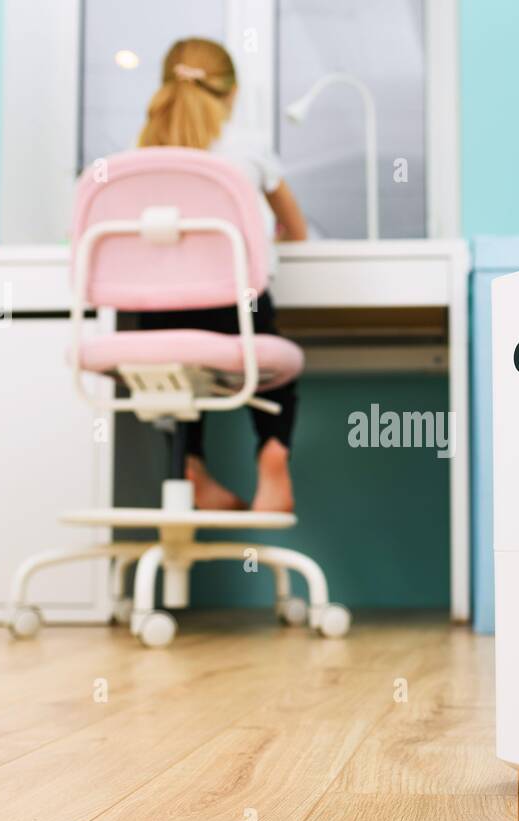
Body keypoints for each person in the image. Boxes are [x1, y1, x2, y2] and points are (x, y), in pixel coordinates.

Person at [135, 37, 308, 512]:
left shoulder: (139, 155)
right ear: (231, 93)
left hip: (157, 319)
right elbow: (296, 230)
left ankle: (191, 466)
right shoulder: (248, 148)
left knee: (177, 374)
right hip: (239, 310)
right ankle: (273, 458)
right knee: (268, 369)